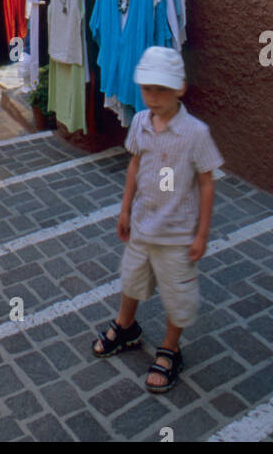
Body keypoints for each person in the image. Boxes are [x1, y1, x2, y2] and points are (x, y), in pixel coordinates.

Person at [91, 46, 223, 393]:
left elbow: (207, 183)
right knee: (131, 280)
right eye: (147, 89)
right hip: (142, 225)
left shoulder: (195, 133)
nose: (153, 97)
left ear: (180, 87)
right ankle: (126, 326)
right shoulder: (139, 122)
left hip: (178, 234)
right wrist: (124, 209)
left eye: (161, 89)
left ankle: (170, 348)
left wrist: (202, 234)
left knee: (177, 295)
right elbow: (134, 164)